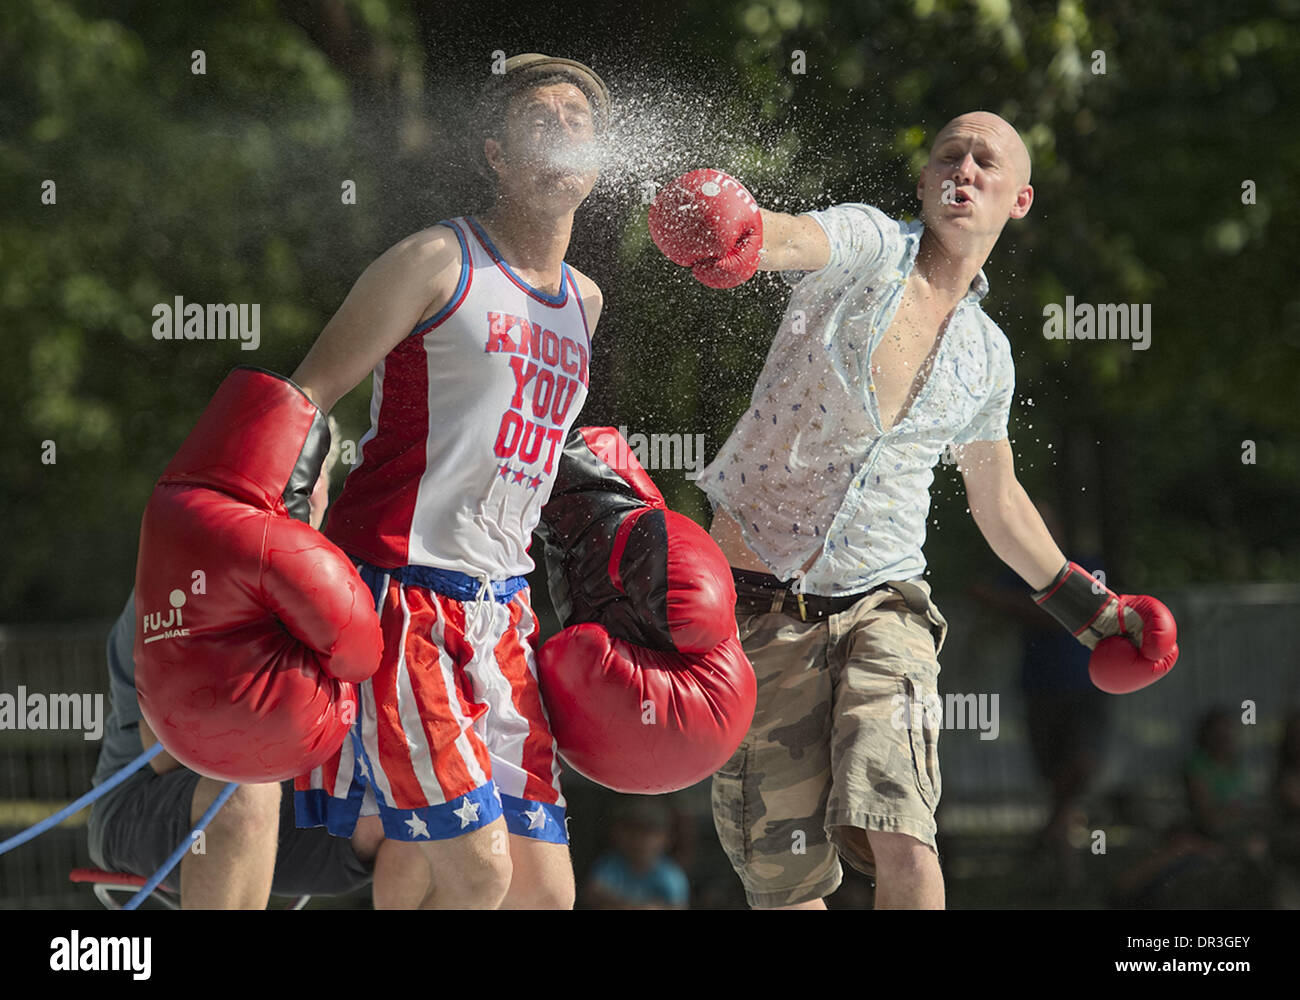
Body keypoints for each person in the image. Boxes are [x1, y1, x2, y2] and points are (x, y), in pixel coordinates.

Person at [648, 111, 1178, 909]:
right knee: (787, 887)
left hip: (884, 603)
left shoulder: (987, 353)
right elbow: (797, 238)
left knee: (904, 837)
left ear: (1019, 200)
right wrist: (745, 233)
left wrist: (1094, 611)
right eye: (948, 157)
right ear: (926, 183)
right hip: (758, 611)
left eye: (985, 162)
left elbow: (996, 501)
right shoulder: (869, 247)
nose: (964, 170)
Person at [287, 54, 608, 909]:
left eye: (580, 122)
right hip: (400, 593)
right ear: (498, 155)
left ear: (604, 159)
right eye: (541, 119)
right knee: (479, 873)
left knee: (545, 893)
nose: (564, 131)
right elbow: (305, 394)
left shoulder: (586, 300)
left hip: (504, 610)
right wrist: (283, 518)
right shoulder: (437, 258)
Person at [88, 429, 379, 907]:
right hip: (142, 804)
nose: (296, 492)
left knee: (418, 810)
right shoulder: (181, 582)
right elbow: (160, 754)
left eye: (309, 479)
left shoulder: (338, 582)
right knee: (248, 783)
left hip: (288, 807)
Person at [582, 800, 689, 910]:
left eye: (649, 832)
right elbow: (592, 897)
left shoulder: (671, 874)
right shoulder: (609, 864)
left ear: (666, 838)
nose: (640, 840)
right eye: (633, 831)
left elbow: (678, 906)